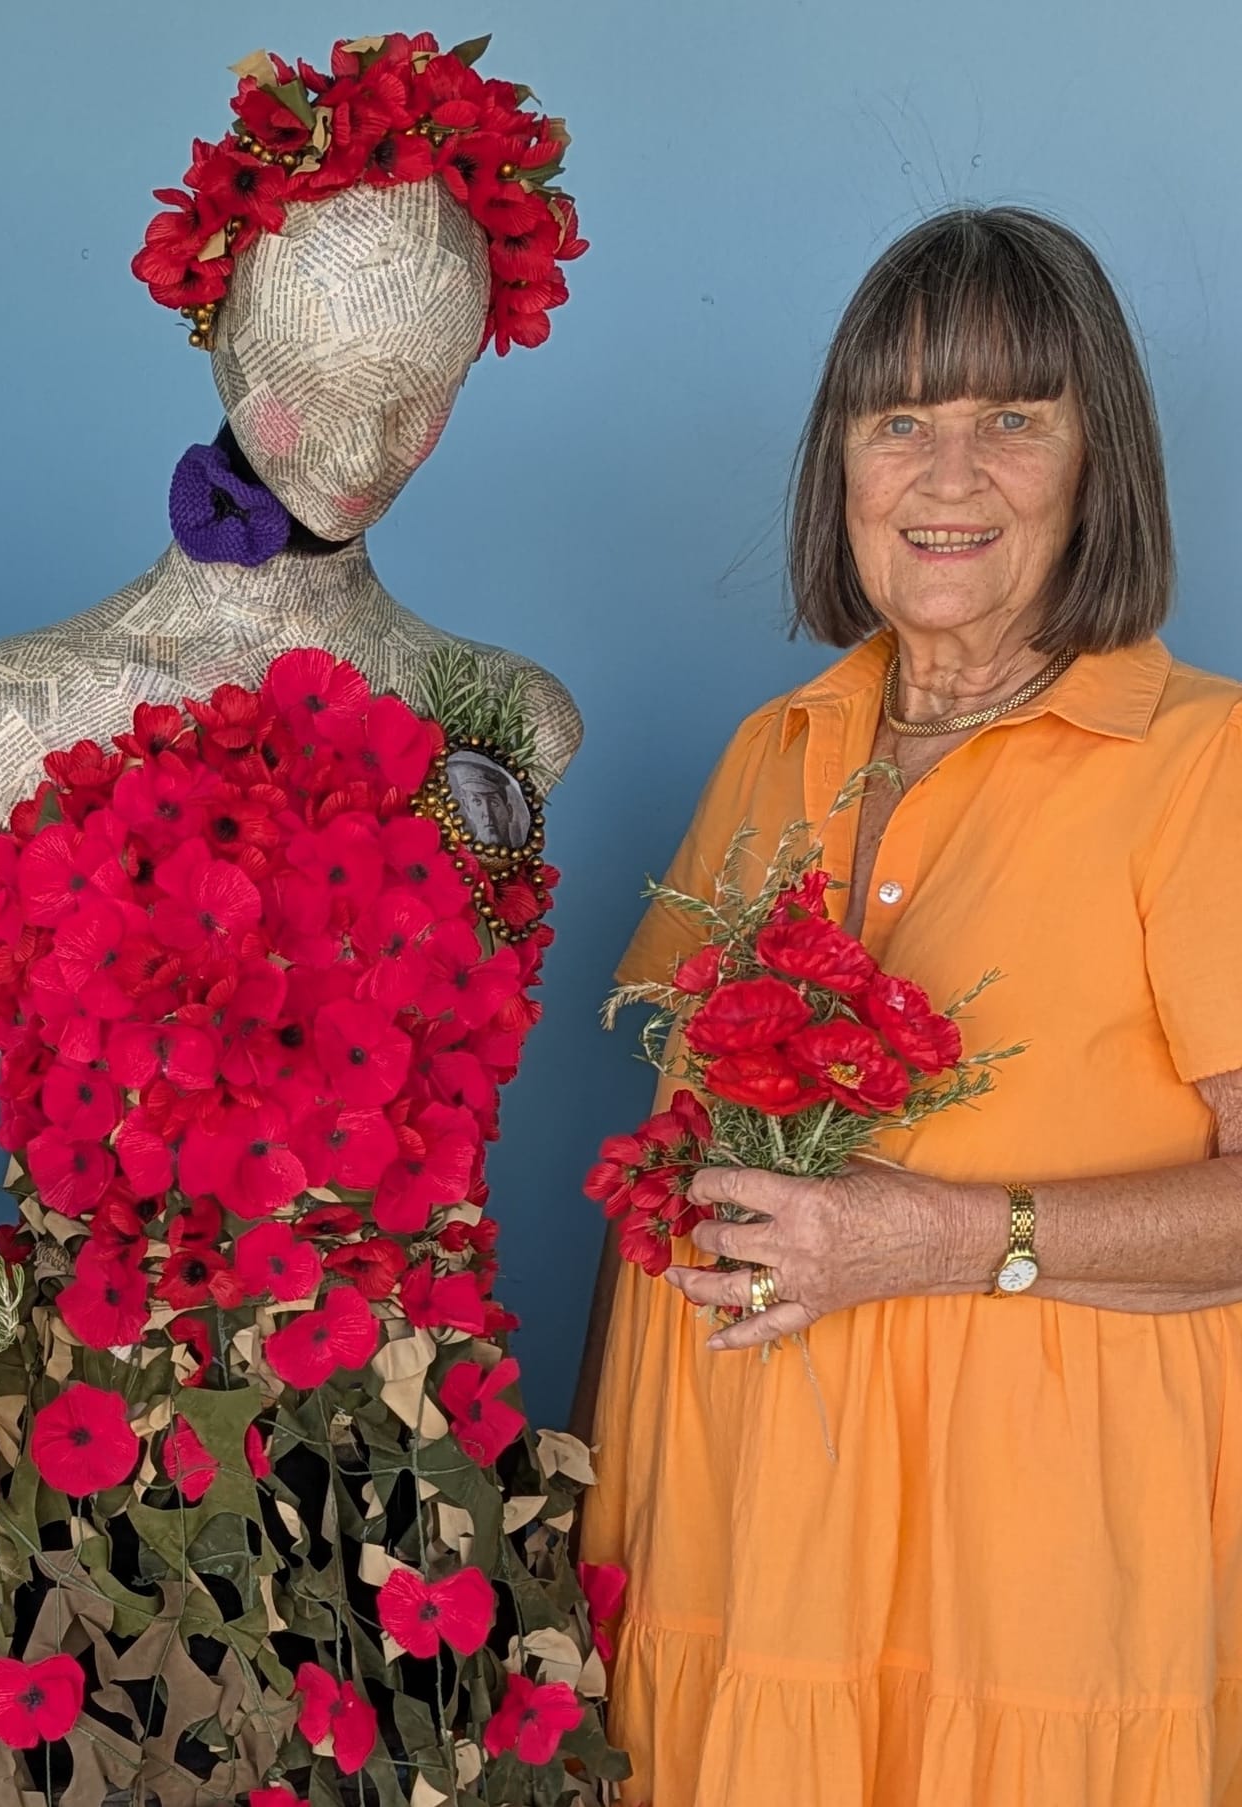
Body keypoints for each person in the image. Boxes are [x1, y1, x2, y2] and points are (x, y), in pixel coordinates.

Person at [579, 206, 1242, 1805]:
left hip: (1039, 1602)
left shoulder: (1203, 766)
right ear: (843, 467)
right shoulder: (771, 752)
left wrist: (940, 1237)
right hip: (733, 1560)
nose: (950, 475)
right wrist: (584, 1511)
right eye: (900, 422)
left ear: (1099, 465)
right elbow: (660, 1178)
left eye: (1014, 418)